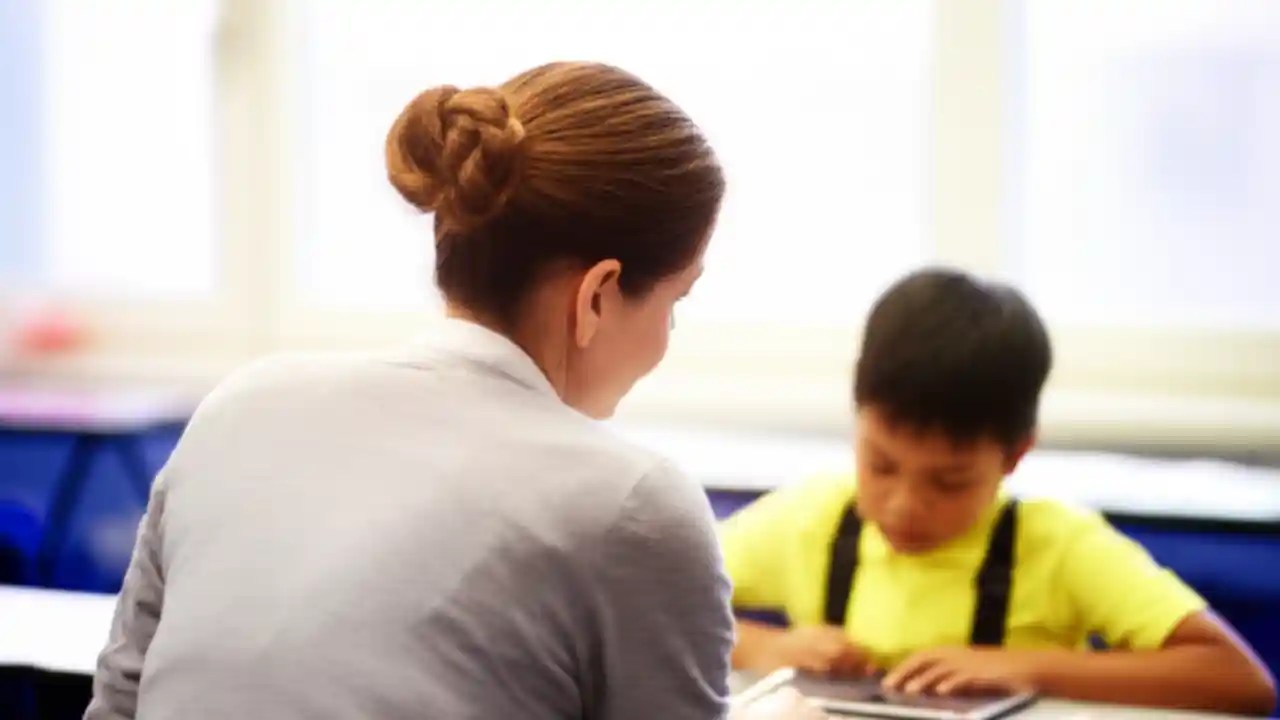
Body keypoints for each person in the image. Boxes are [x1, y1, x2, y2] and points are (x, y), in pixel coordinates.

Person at [85, 61, 819, 720]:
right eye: (675, 302)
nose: (667, 336)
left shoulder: (240, 405)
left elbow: (118, 705)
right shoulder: (629, 501)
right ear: (597, 295)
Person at [719, 268, 1277, 715]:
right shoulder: (811, 516)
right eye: (881, 465)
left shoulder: (1060, 544)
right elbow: (642, 595)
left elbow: (1240, 681)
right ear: (857, 419)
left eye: (950, 481)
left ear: (1014, 456)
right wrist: (768, 648)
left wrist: (1024, 666)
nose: (904, 504)